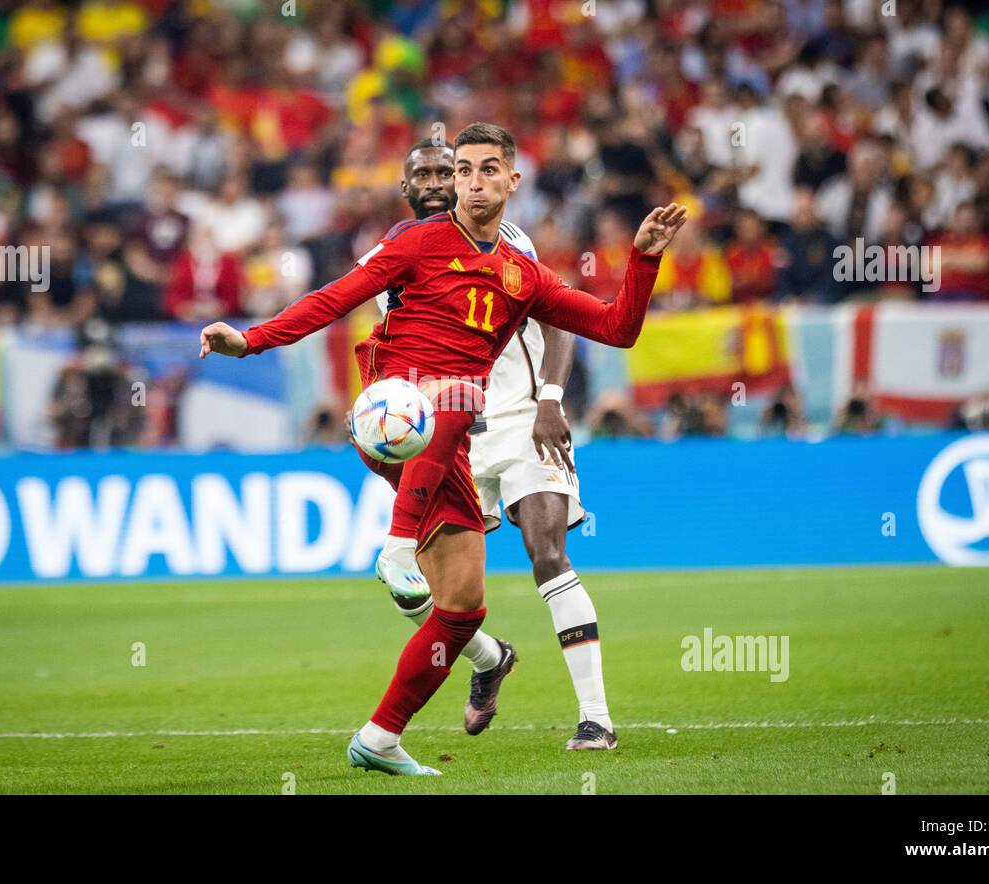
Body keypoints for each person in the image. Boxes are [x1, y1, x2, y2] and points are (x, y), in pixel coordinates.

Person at [200, 122, 686, 776]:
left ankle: (380, 737)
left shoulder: (522, 273)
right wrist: (251, 339)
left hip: (449, 447)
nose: (472, 182)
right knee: (457, 395)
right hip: (389, 413)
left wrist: (644, 259)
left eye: (488, 170)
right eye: (463, 170)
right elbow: (334, 298)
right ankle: (397, 549)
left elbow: (616, 328)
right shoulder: (416, 242)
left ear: (513, 181)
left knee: (460, 607)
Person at [372, 137, 616, 750]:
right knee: (420, 592)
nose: (437, 182)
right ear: (406, 189)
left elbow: (561, 317)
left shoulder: (510, 245)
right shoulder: (392, 258)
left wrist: (553, 400)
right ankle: (489, 659)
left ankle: (596, 719)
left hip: (518, 418)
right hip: (443, 436)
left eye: (445, 171)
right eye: (426, 173)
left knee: (548, 553)